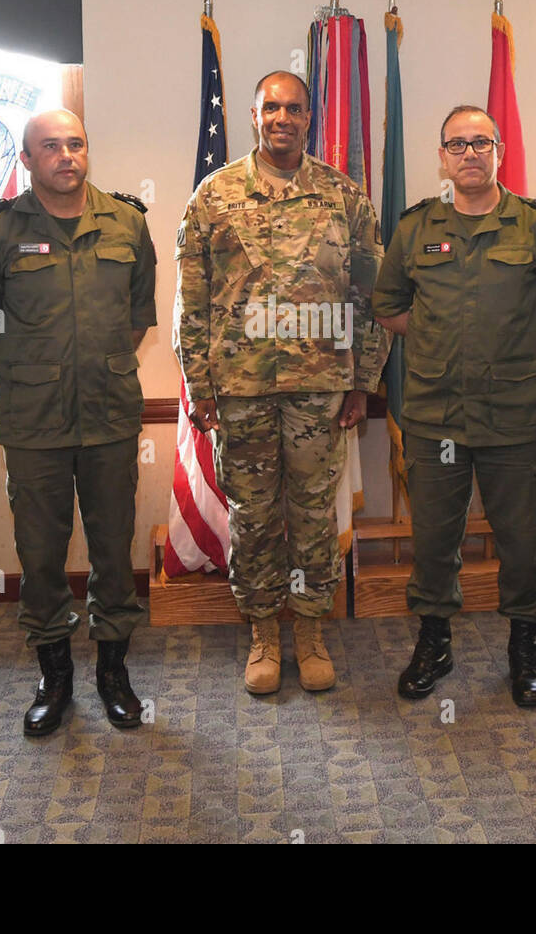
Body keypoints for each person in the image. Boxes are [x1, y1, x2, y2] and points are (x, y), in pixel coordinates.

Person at [173, 71, 388, 695]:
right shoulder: (213, 197)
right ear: (252, 114)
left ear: (309, 117)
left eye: (294, 108)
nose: (282, 119)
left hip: (319, 386)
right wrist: (200, 383)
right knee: (254, 515)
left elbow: (372, 297)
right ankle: (264, 630)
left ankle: (311, 629)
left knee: (315, 512)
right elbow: (192, 301)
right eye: (271, 108)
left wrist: (363, 381)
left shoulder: (344, 197)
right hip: (239, 389)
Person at [373, 105, 536, 707]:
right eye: (457, 145)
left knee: (521, 538)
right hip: (434, 414)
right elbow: (391, 307)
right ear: (442, 156)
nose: (470, 155)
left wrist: (506, 345)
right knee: (435, 539)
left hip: (513, 415)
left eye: (481, 143)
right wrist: (445, 343)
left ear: (499, 152)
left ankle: (525, 647)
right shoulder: (415, 229)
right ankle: (434, 643)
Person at [0, 109, 155, 734]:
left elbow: (136, 319)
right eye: (51, 146)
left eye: (76, 143)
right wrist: (30, 370)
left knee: (112, 550)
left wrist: (92, 366)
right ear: (27, 159)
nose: (66, 155)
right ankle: (55, 675)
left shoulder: (126, 223)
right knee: (40, 554)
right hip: (35, 423)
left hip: (108, 416)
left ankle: (113, 672)